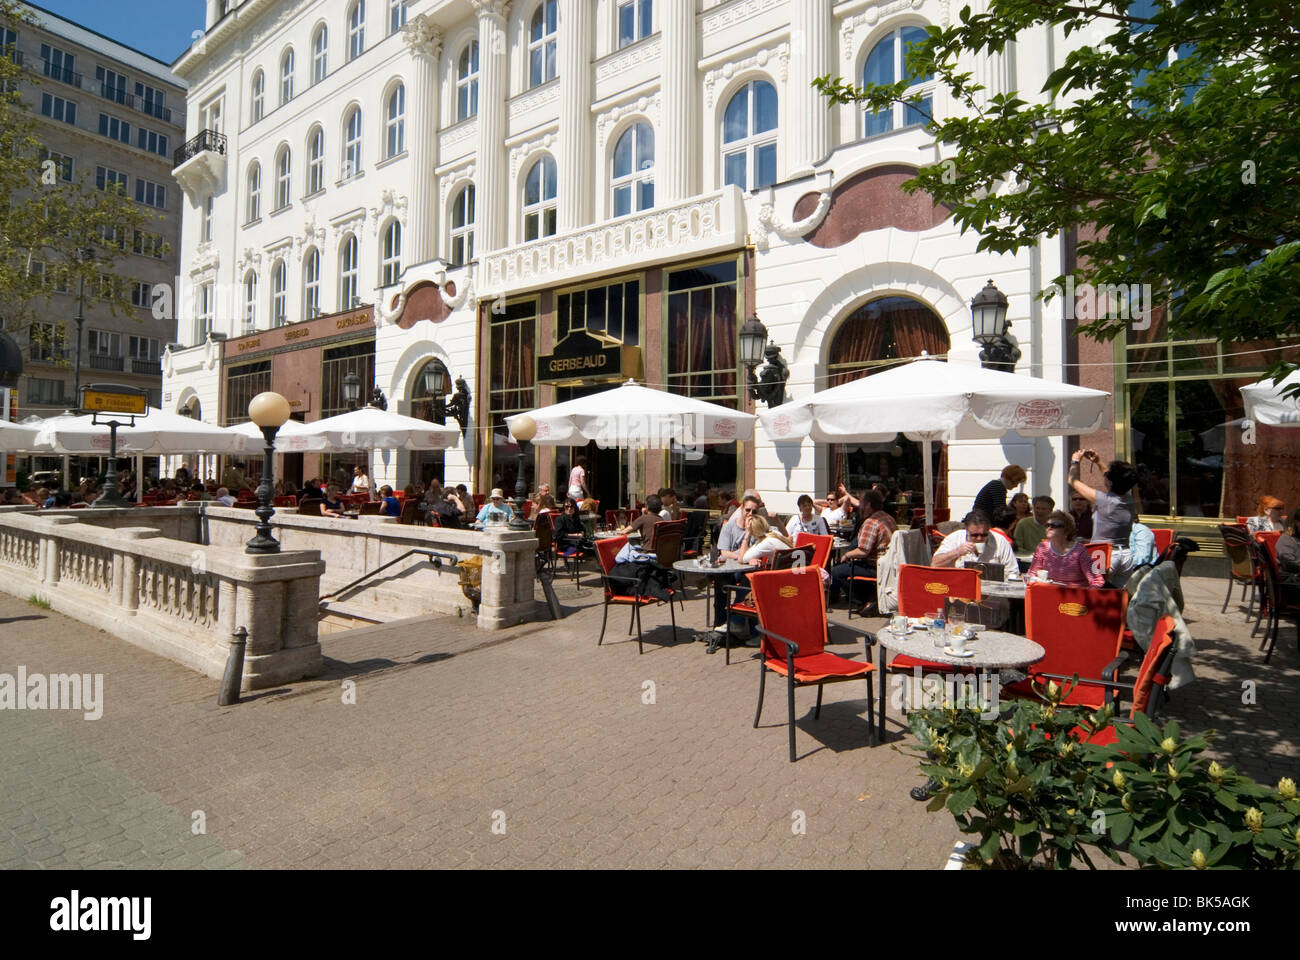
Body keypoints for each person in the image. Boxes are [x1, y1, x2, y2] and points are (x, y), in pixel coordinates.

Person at [829, 489, 897, 610]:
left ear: (868, 505)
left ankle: (861, 600)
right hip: (889, 565)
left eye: (862, 503)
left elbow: (863, 551)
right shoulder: (888, 518)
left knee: (837, 571)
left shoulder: (871, 522)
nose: (859, 506)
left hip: (876, 566)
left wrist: (847, 554)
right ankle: (869, 596)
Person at [933, 510, 1019, 581]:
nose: (979, 538)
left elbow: (1013, 571)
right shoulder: (955, 538)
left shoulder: (1000, 541)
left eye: (984, 535)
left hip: (993, 593)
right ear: (966, 531)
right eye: (974, 535)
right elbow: (935, 564)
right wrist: (957, 552)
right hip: (961, 588)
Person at [1027, 510, 1103, 587]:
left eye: (1055, 525)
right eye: (1047, 525)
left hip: (1074, 595)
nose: (1049, 528)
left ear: (1067, 529)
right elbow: (1032, 574)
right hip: (1048, 593)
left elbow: (1097, 580)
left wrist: (1088, 594)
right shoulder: (1042, 548)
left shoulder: (1080, 551)